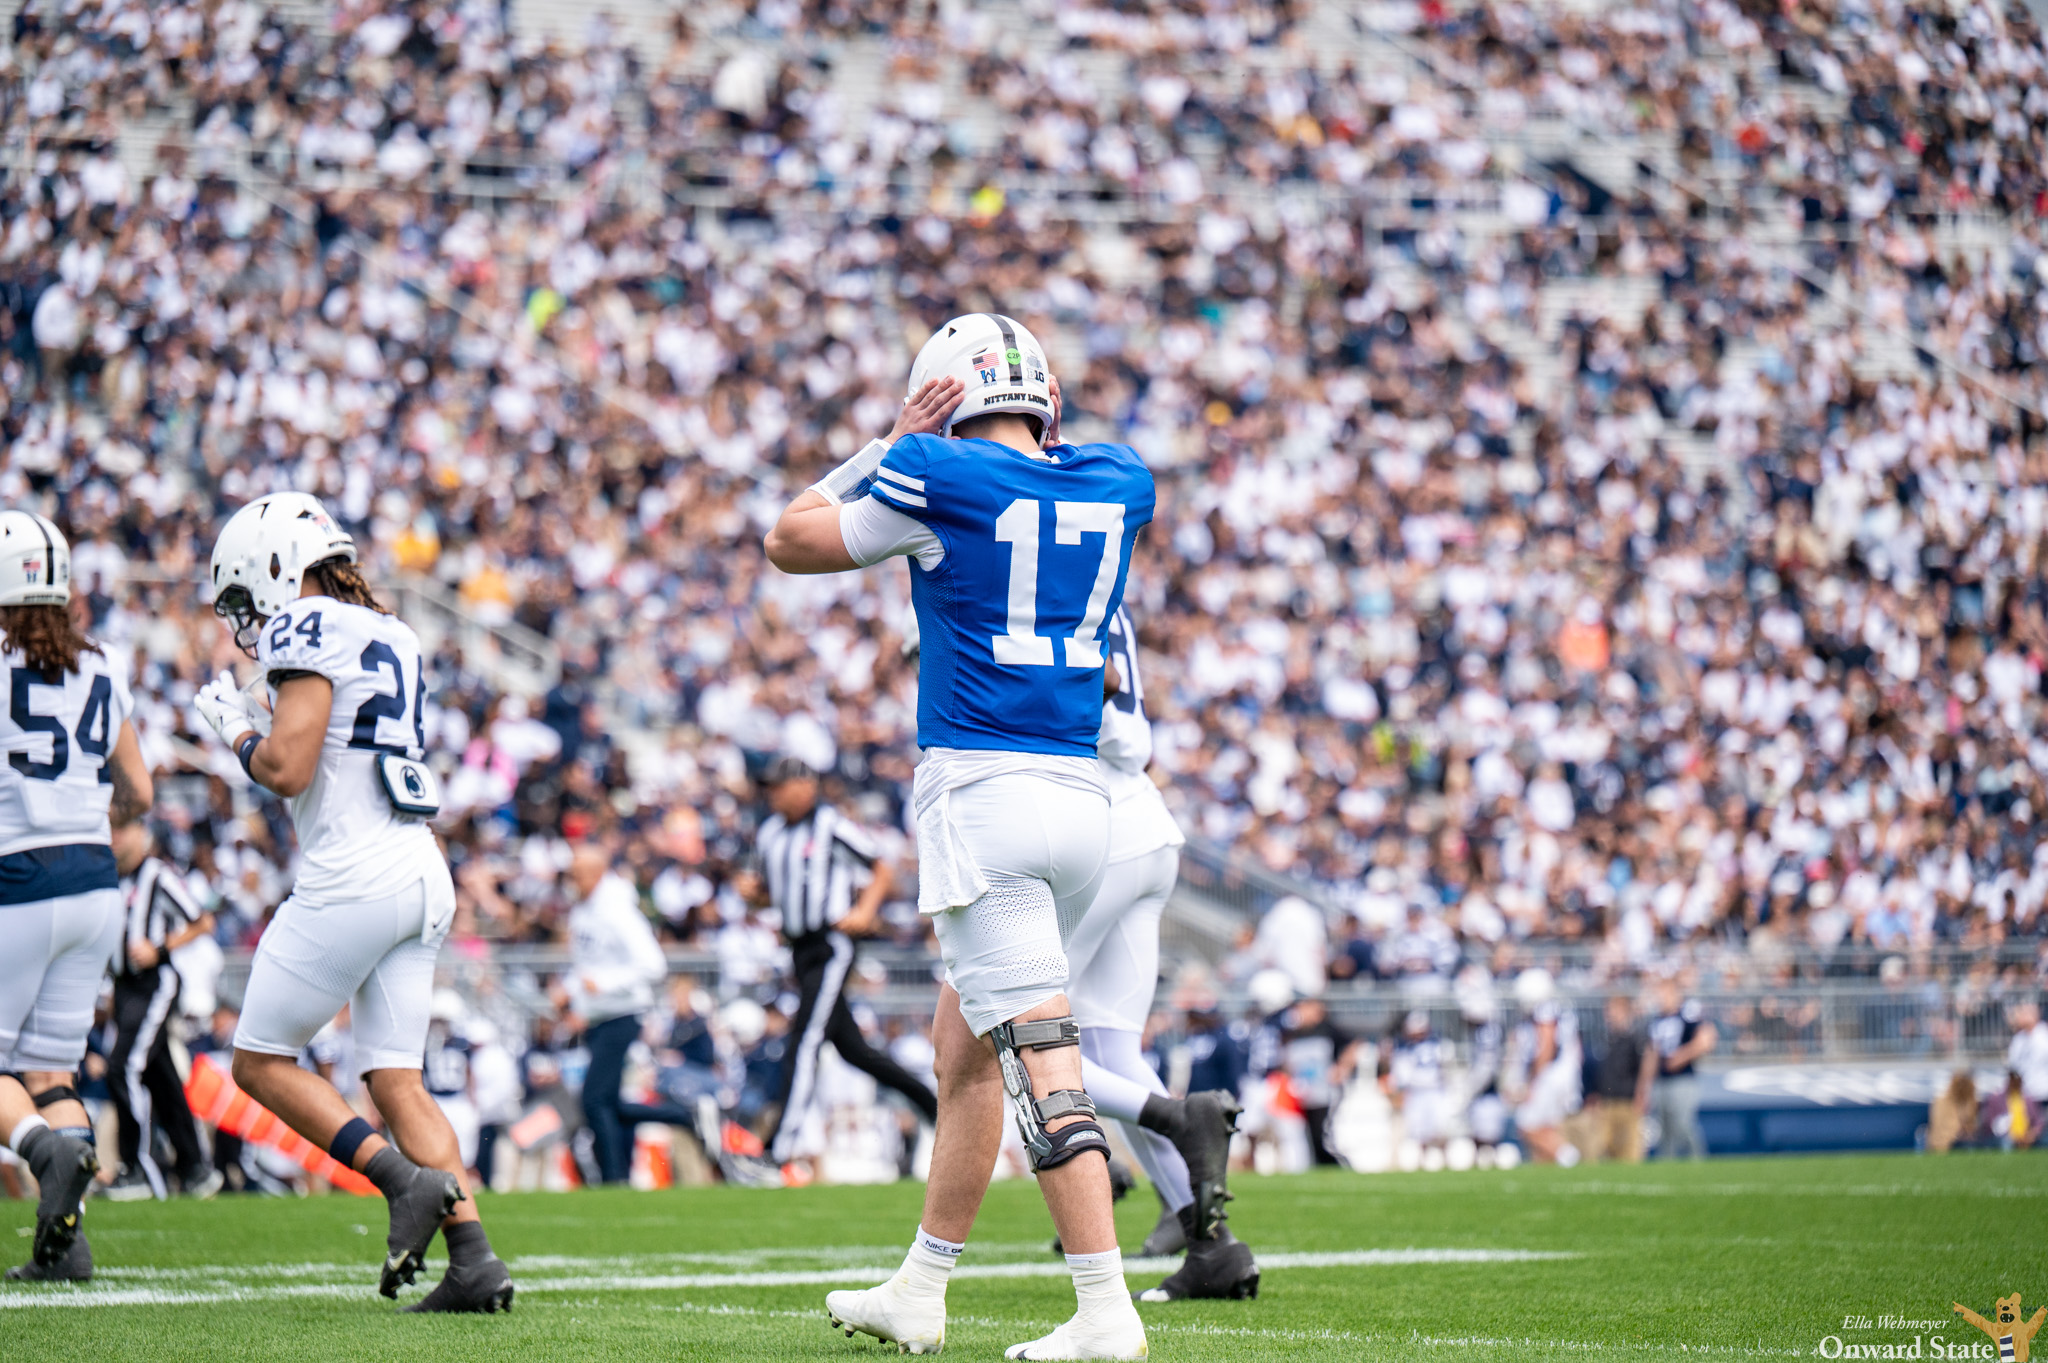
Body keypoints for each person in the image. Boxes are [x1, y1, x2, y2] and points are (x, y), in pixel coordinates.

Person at [765, 313, 1154, 1359]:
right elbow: (1042, 477)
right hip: (1081, 801)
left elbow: (790, 534)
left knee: (1038, 1060)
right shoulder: (1117, 477)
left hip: (985, 797)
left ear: (940, 394)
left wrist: (889, 441)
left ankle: (1106, 1312)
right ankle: (921, 1287)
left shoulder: (931, 467)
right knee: (963, 1056)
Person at [189, 492, 511, 1312]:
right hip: (418, 867)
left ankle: (399, 1180)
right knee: (397, 1079)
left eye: (241, 595)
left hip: (355, 871)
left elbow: (288, 768)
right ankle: (473, 1257)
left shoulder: (303, 626)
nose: (242, 617)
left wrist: (235, 730)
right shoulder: (390, 630)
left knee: (259, 1059)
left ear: (274, 567)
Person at [1061, 606, 1255, 1300]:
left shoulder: (1051, 568)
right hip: (1143, 822)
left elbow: (1088, 698)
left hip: (1094, 825)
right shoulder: (1109, 592)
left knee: (1019, 1035)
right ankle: (1210, 1241)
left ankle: (1178, 1117)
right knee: (1111, 1048)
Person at [0, 510, 154, 1283]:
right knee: (51, 1073)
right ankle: (69, 1242)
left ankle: (42, 1151)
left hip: (17, 880)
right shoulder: (103, 664)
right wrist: (85, 819)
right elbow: (141, 789)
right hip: (95, 881)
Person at [751, 755, 938, 1169]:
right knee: (854, 1050)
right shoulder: (769, 834)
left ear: (804, 787)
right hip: (799, 948)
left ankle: (778, 1149)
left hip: (832, 943)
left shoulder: (830, 826)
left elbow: (880, 868)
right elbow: (768, 892)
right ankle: (932, 1103)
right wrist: (753, 894)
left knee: (804, 1042)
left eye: (779, 786)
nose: (773, 794)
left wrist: (865, 911)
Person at [556, 840, 702, 1185]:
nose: (570, 880)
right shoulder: (584, 910)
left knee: (594, 1100)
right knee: (605, 1101)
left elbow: (652, 965)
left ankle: (614, 1178)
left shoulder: (618, 910)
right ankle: (681, 1115)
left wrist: (602, 986)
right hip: (599, 1016)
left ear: (594, 873)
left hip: (622, 1015)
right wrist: (574, 996)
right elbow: (587, 967)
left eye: (576, 873)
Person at [103, 820, 220, 1202]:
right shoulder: (109, 877)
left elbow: (203, 921)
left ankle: (135, 1169)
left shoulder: (156, 875)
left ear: (140, 831)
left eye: (121, 827)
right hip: (122, 989)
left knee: (124, 1067)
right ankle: (195, 1168)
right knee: (161, 1076)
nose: (114, 835)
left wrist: (161, 948)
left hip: (153, 983)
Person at [1503, 968, 1582, 1165]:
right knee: (1548, 1126)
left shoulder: (1546, 1008)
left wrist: (1532, 1082)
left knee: (1526, 1124)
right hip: (1562, 1074)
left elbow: (1546, 1047)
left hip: (1551, 1075)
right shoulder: (1559, 1008)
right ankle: (1555, 1165)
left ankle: (1568, 1157)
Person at [1646, 969, 1716, 1160]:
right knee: (1663, 1130)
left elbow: (1707, 1039)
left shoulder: (1687, 1014)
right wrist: (1646, 1083)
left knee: (1684, 1125)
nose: (1660, 997)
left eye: (1664, 992)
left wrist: (1681, 1056)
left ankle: (1697, 1160)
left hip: (1683, 1079)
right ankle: (1667, 1168)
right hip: (1661, 1081)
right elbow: (1651, 1054)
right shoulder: (1657, 1020)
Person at [1580, 994, 1649, 1163]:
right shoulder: (1603, 1040)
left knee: (1629, 1151)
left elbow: (1644, 1069)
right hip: (1605, 1104)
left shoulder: (1635, 1039)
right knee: (1597, 1151)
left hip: (1627, 1103)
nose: (1610, 1015)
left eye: (1614, 1010)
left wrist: (1642, 1093)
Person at [1382, 1009, 1452, 1166]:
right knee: (1420, 1131)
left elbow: (1445, 1069)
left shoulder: (1437, 1045)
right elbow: (1400, 1075)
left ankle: (1445, 1159)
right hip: (1417, 1092)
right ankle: (1423, 1160)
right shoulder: (1404, 1048)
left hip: (1434, 1090)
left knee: (1439, 1128)